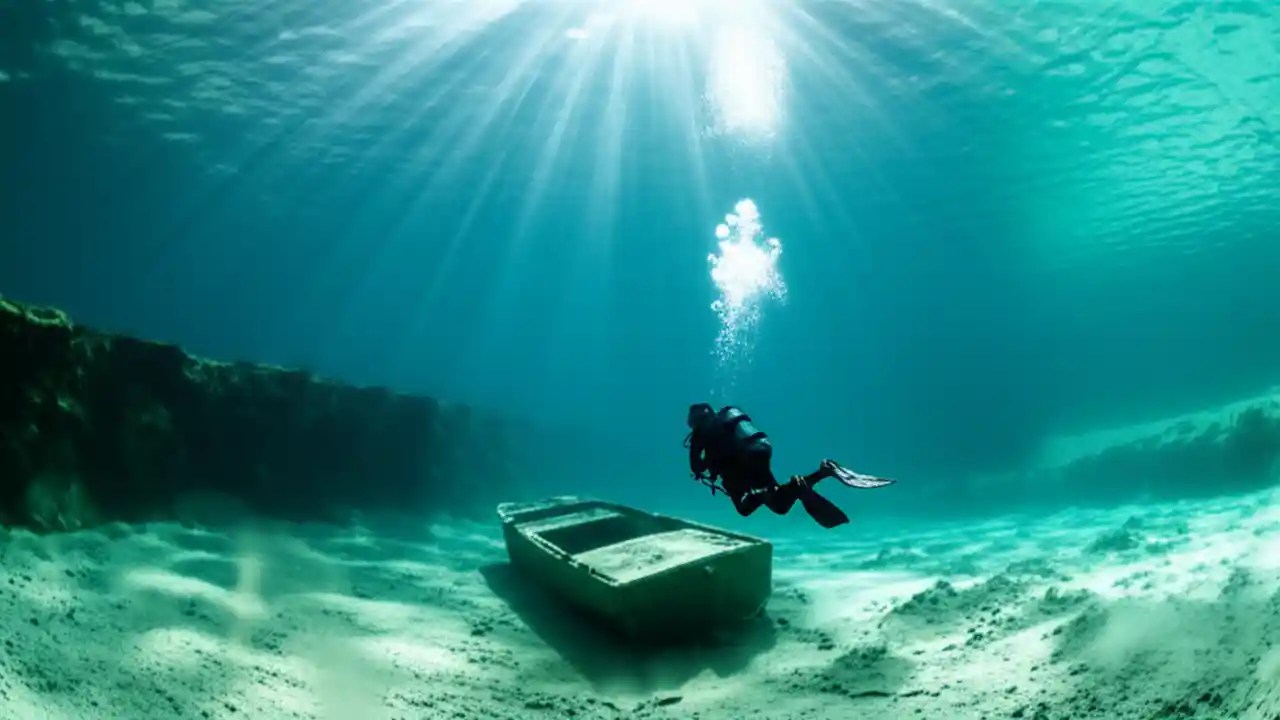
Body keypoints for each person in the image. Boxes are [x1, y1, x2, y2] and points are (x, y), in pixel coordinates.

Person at [684, 403, 894, 529]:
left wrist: (701, 457)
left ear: (694, 421)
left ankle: (763, 492)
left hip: (741, 470)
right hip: (760, 453)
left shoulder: (701, 434)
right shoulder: (726, 421)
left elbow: (696, 468)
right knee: (780, 506)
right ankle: (823, 472)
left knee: (744, 508)